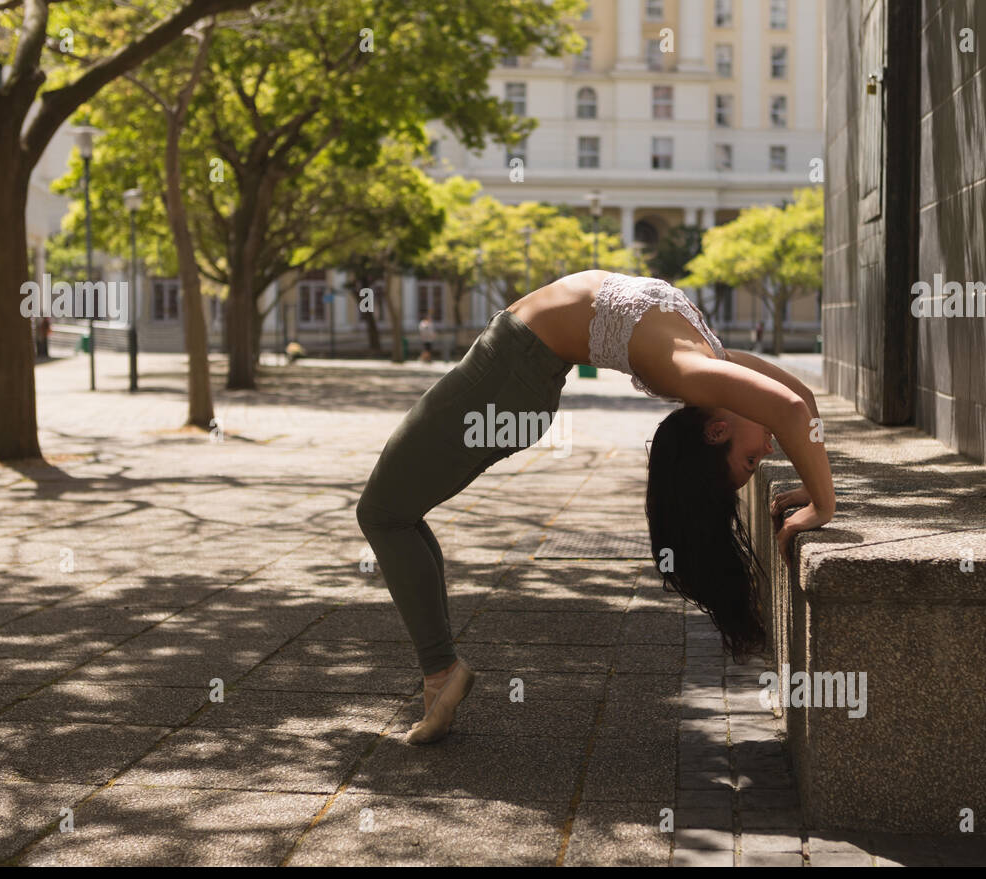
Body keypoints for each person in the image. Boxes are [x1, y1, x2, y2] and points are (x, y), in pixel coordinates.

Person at [357, 270, 834, 745]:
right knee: (397, 511)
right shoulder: (707, 362)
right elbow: (802, 400)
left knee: (382, 514)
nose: (768, 450)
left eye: (752, 458)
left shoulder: (693, 370)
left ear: (716, 434)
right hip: (516, 379)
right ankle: (441, 671)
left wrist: (822, 507)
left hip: (506, 378)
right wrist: (814, 492)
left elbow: (791, 410)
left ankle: (441, 673)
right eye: (754, 461)